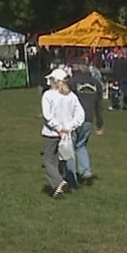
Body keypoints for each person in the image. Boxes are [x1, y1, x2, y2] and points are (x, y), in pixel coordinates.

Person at [40, 68, 84, 199]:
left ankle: (59, 182)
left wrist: (59, 128)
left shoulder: (48, 95)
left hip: (51, 133)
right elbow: (80, 115)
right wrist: (69, 127)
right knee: (58, 162)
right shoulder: (71, 96)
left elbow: (47, 115)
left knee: (48, 161)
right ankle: (57, 188)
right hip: (66, 134)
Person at [67, 64, 105, 188]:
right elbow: (99, 106)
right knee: (81, 145)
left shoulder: (72, 82)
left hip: (73, 119)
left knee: (70, 148)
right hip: (88, 119)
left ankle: (71, 175)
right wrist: (99, 124)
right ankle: (86, 172)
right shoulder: (96, 84)